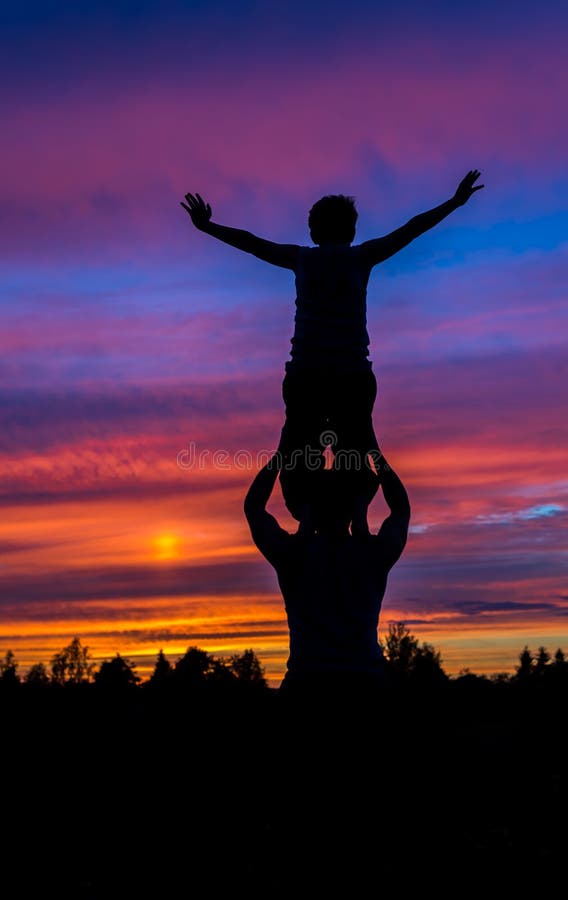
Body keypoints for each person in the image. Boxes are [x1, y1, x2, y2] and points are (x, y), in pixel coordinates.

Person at [181, 171, 483, 513]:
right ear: (352, 230)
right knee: (357, 456)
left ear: (313, 230)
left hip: (309, 377)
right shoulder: (359, 257)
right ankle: (352, 518)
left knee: (296, 459)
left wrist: (209, 227)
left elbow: (253, 243)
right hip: (348, 377)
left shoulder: (303, 259)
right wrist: (455, 203)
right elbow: (412, 229)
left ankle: (313, 517)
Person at [243, 453, 411, 696]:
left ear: (310, 508)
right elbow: (401, 509)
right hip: (366, 685)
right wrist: (374, 453)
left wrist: (281, 455)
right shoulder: (371, 555)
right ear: (353, 507)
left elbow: (254, 507)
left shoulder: (294, 555)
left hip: (307, 684)